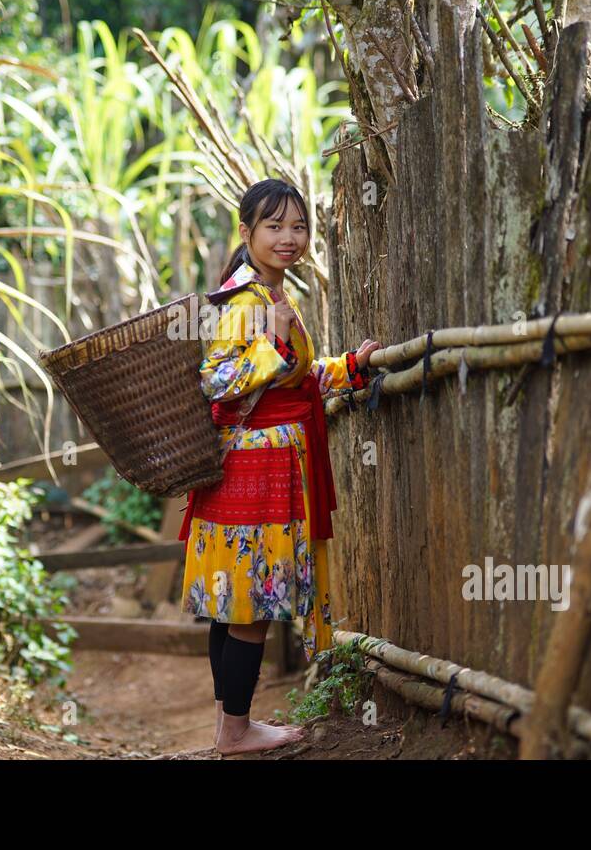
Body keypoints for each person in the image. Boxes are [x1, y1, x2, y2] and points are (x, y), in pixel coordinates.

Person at [177, 178, 381, 756]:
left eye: (298, 226)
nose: (289, 238)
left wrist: (349, 368)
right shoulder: (244, 302)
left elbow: (295, 381)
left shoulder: (271, 296)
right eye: (274, 226)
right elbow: (214, 382)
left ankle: (229, 726)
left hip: (264, 466)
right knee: (249, 604)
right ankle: (237, 730)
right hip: (252, 471)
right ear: (246, 233)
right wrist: (273, 344)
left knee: (237, 601)